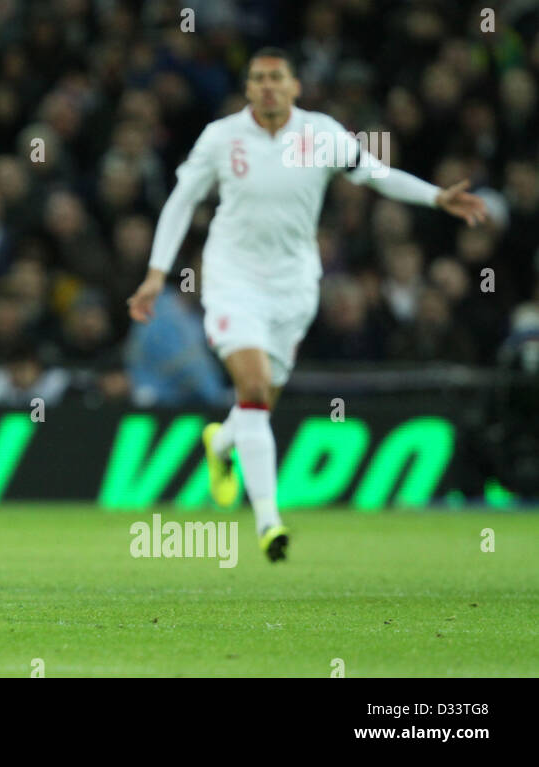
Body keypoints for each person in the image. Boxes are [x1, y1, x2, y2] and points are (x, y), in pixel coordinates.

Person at [127, 47, 486, 561]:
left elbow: (375, 175)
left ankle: (222, 444)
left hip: (294, 288)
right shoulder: (222, 138)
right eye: (258, 79)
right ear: (248, 89)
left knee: (259, 403)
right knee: (251, 389)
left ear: (295, 87)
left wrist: (435, 197)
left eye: (278, 78)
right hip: (233, 280)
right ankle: (269, 523)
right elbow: (181, 201)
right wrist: (156, 275)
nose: (268, 87)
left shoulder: (320, 135)